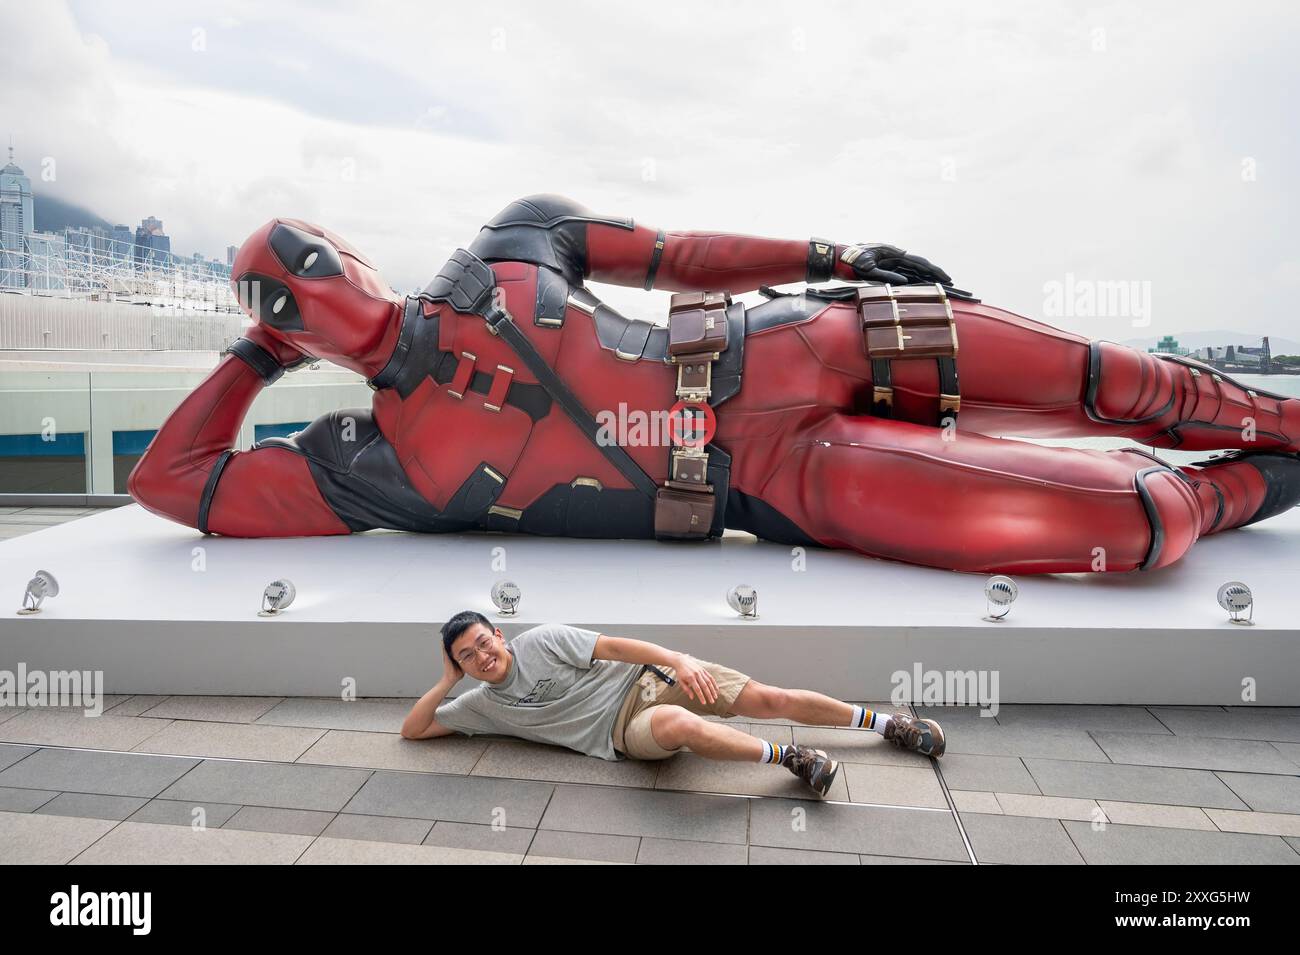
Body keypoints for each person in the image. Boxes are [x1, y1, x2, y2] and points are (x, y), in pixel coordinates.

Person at [130, 194, 1300, 573]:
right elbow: (169, 482)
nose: (303, 292)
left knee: (1119, 379)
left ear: (353, 250)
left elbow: (676, 259)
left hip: (791, 342)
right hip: (779, 481)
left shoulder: (509, 242)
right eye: (274, 301)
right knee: (1135, 521)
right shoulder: (368, 467)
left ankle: (1279, 424)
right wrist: (252, 360)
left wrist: (835, 259)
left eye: (306, 260)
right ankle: (1251, 491)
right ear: (289, 342)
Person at [400, 610, 945, 798]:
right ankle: (792, 760)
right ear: (462, 666)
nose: (482, 657)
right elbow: (413, 731)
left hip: (648, 675)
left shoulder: (541, 640)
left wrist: (679, 659)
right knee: (679, 723)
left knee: (766, 696)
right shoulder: (480, 704)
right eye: (466, 657)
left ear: (499, 633)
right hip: (623, 730)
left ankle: (886, 724)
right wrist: (446, 681)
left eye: (483, 643)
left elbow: (616, 647)